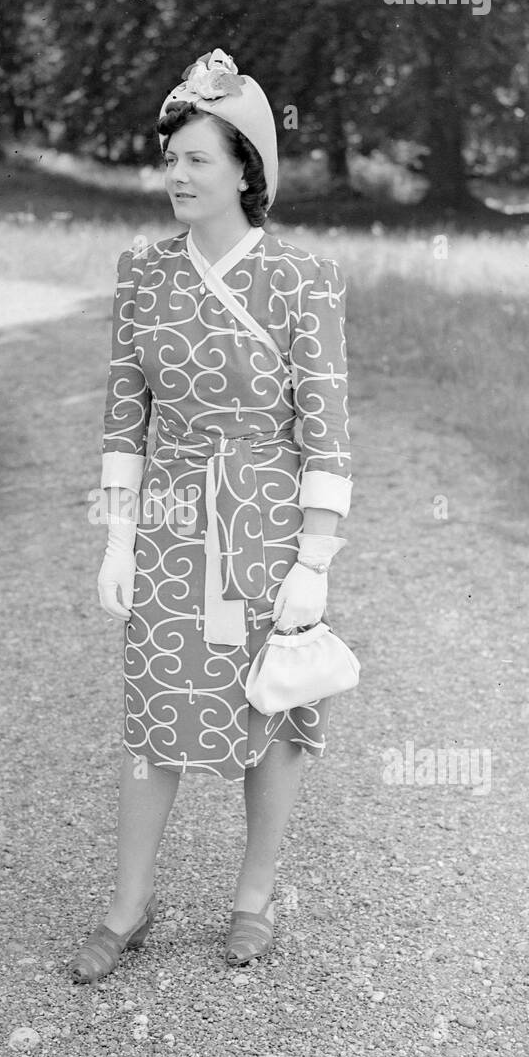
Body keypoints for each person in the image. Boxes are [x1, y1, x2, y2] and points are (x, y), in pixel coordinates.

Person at [70, 48, 352, 983]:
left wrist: (315, 560)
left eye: (197, 159)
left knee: (268, 710)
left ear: (246, 170)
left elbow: (328, 430)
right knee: (158, 715)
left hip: (268, 524)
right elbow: (124, 413)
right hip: (172, 514)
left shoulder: (303, 280)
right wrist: (118, 535)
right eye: (171, 159)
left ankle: (254, 897)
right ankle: (129, 906)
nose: (176, 177)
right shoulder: (142, 271)